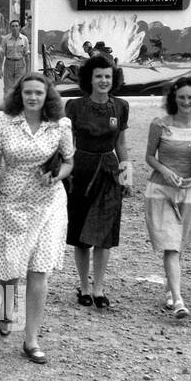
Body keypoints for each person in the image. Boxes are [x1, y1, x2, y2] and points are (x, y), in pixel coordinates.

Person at [0, 73, 74, 364]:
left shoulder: (61, 124)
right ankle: (7, 308)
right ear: (19, 94)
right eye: (27, 92)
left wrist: (58, 174)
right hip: (10, 200)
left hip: (48, 203)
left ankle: (31, 339)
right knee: (9, 265)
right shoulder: (3, 121)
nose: (33, 97)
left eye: (38, 93)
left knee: (39, 269)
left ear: (48, 96)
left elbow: (69, 160)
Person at [65, 54, 131, 309]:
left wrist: (126, 176)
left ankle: (100, 289)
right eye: (99, 76)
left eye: (108, 76)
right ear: (89, 79)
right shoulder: (74, 106)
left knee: (105, 233)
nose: (104, 81)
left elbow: (122, 144)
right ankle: (83, 286)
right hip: (79, 170)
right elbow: (66, 141)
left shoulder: (121, 106)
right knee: (80, 233)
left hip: (108, 171)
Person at [144, 76, 191, 320]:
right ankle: (179, 301)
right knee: (171, 245)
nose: (186, 101)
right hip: (161, 189)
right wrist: (165, 170)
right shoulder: (160, 124)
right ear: (174, 99)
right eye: (181, 97)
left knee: (178, 245)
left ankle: (171, 289)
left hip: (190, 191)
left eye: (190, 98)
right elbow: (149, 156)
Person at [0, 19, 30, 98]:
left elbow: (27, 56)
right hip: (9, 64)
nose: (14, 28)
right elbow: (1, 55)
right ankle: (7, 107)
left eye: (16, 26)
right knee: (8, 87)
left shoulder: (24, 39)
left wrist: (28, 70)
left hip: (20, 64)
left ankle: (18, 107)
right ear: (10, 28)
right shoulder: (6, 39)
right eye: (12, 26)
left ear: (20, 27)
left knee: (19, 86)